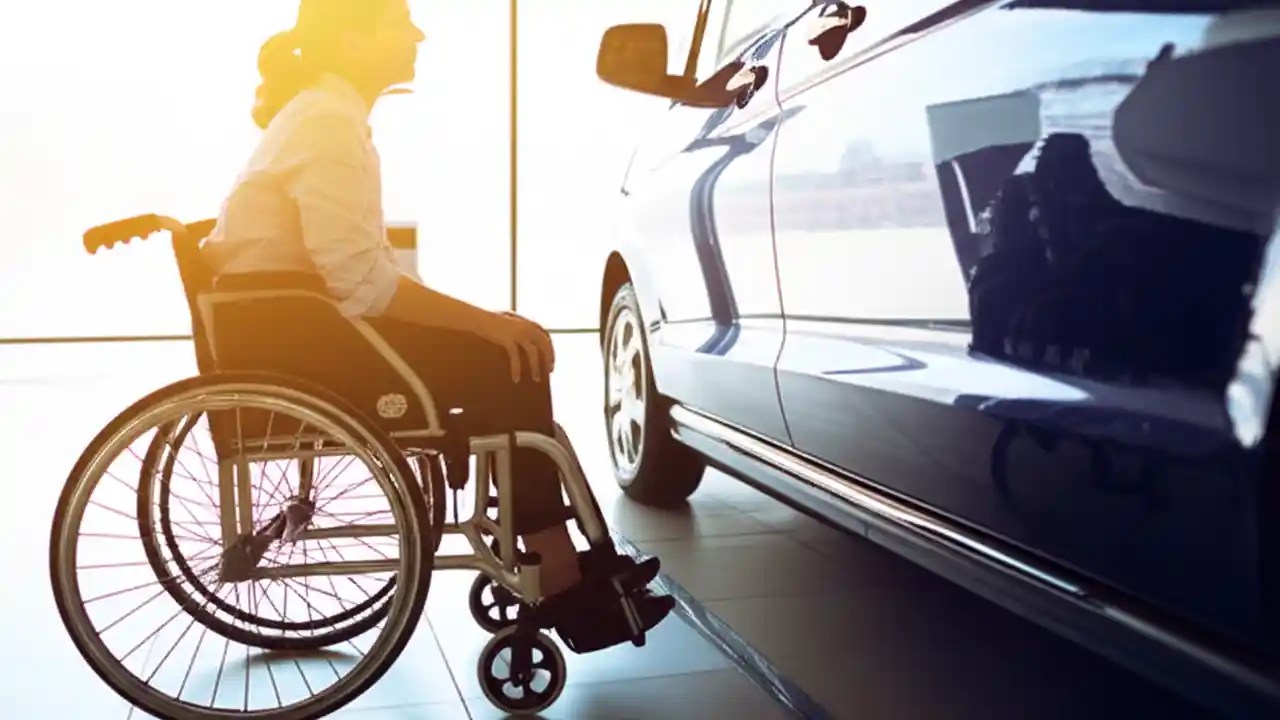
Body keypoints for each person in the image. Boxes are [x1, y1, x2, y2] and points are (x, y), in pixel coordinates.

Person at [200, 0, 673, 649]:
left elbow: (364, 272)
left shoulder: (327, 116)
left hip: (301, 333)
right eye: (399, 21)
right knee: (511, 360)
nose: (416, 33)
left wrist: (486, 322)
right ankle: (561, 577)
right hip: (306, 348)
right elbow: (362, 282)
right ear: (355, 40)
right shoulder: (327, 125)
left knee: (504, 345)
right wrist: (486, 328)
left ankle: (554, 555)